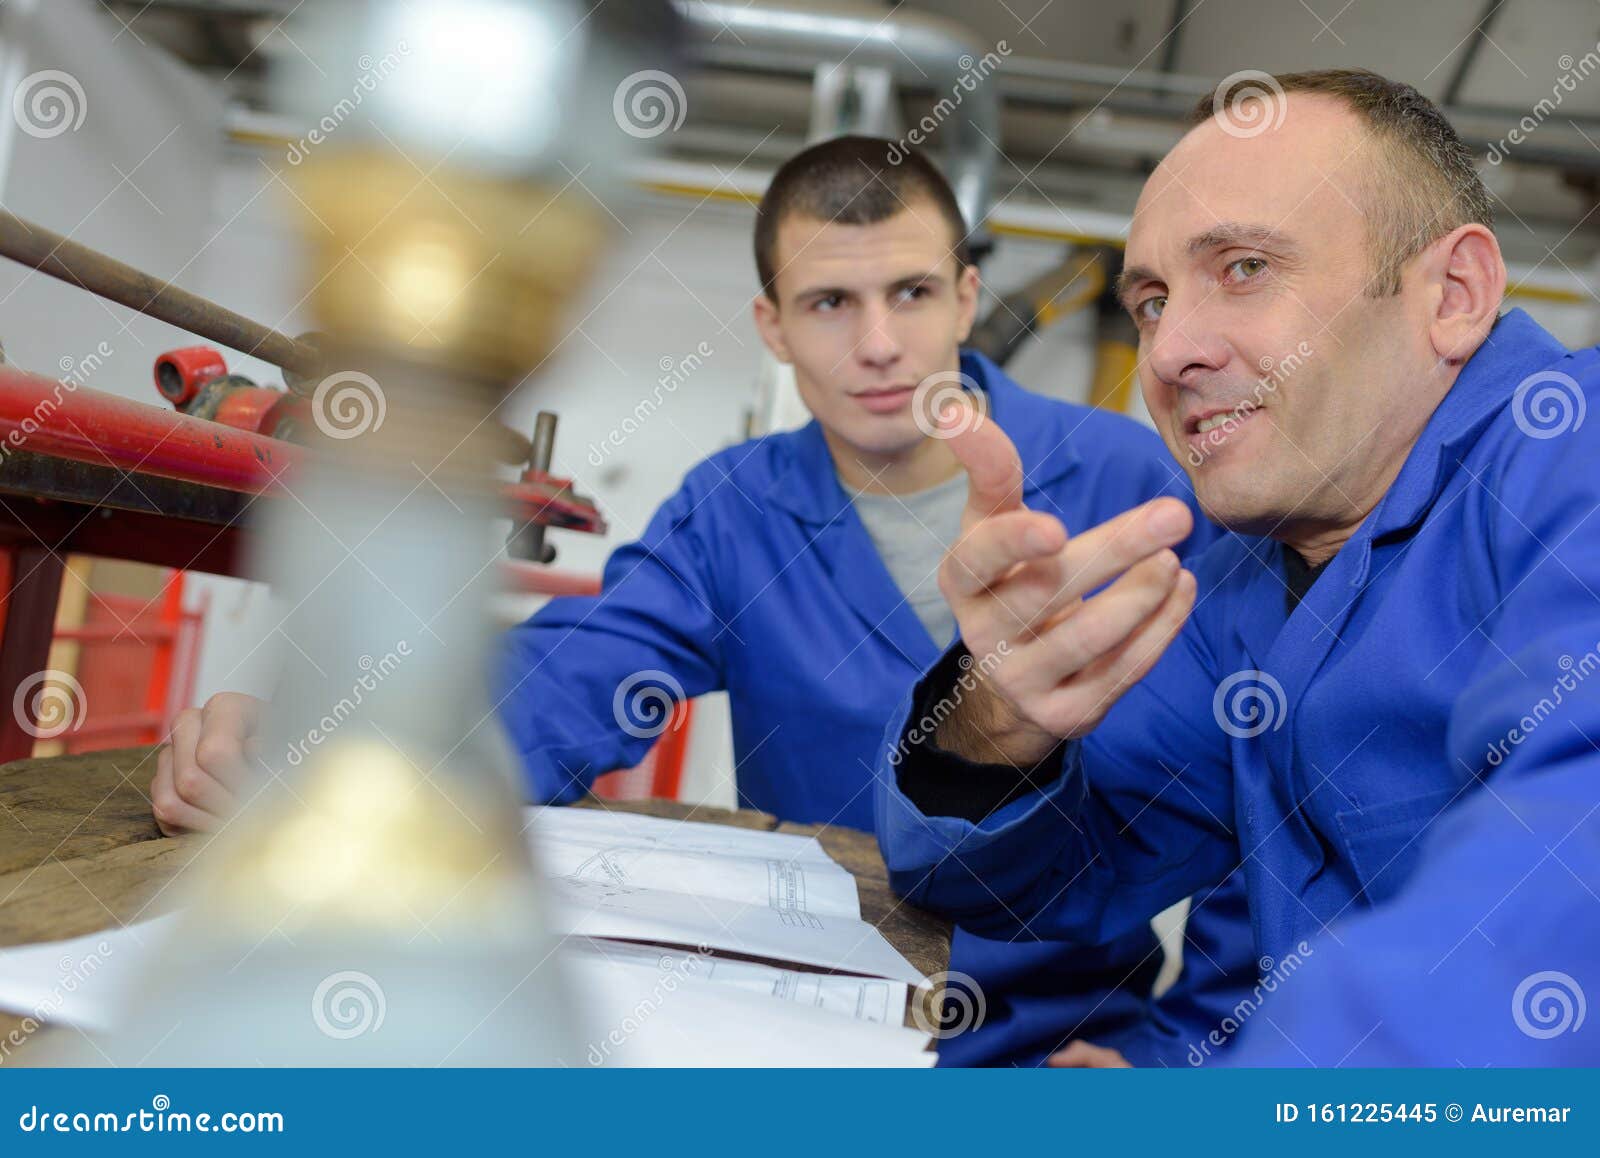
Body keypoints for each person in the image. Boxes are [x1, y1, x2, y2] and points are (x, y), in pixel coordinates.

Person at [151, 135, 1259, 1067]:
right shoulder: (733, 511)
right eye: (829, 301)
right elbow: (570, 676)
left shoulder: (1138, 485)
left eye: (911, 292)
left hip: (1062, 1046)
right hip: (818, 1042)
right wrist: (342, 745)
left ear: (966, 294)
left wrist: (1188, 1061)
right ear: (772, 326)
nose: (878, 344)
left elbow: (1267, 783)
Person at [875, 70, 1600, 1065]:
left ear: (1454, 295)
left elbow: (1556, 905)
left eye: (1245, 268)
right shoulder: (1237, 588)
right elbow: (996, 881)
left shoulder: (1572, 461)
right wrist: (989, 725)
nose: (1168, 352)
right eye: (1150, 300)